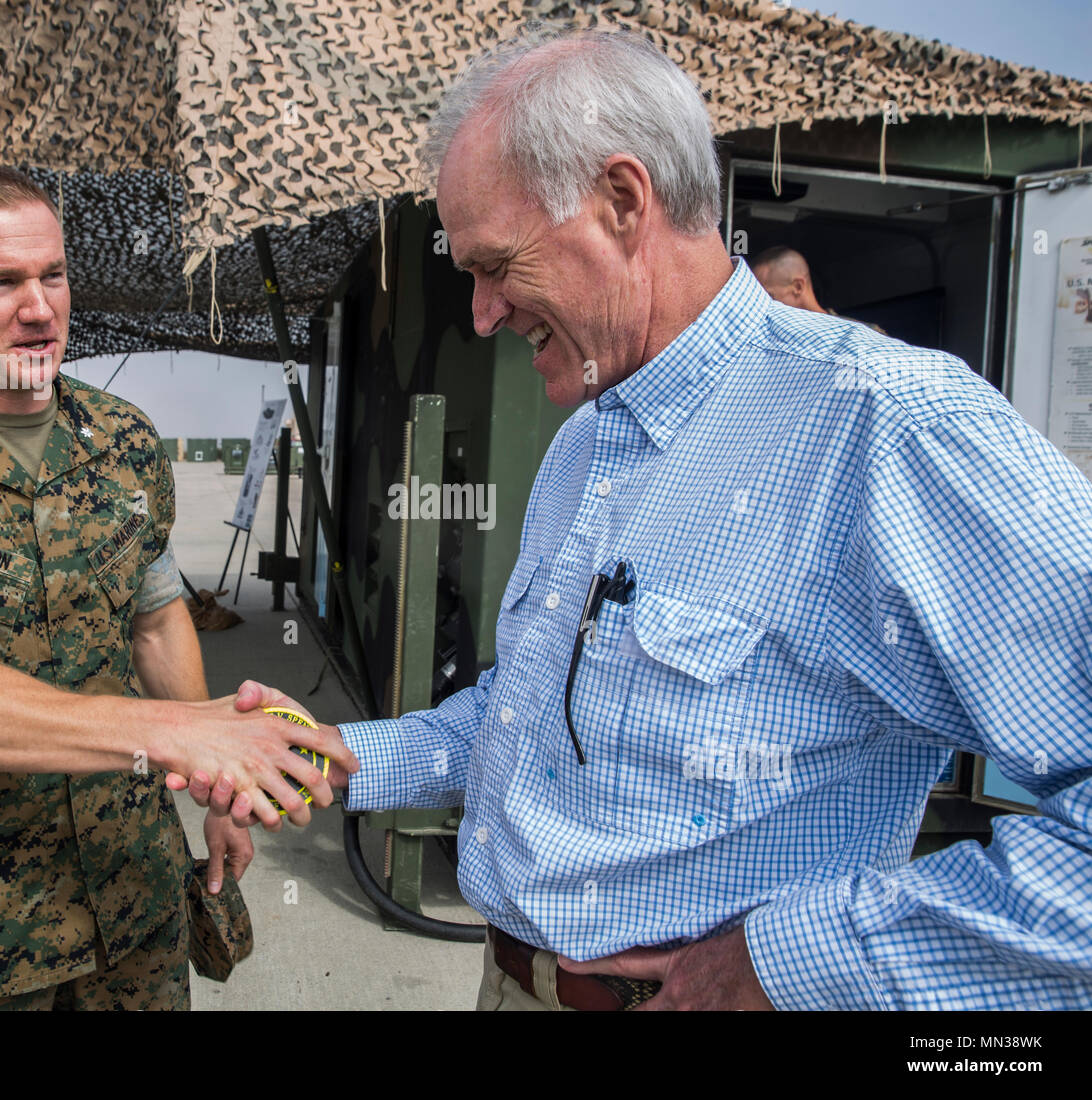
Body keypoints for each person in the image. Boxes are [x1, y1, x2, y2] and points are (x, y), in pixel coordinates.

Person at [208, 25, 1092, 1012]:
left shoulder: (888, 426)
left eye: (495, 263)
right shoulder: (589, 438)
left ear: (623, 203)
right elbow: (525, 721)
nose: (482, 313)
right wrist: (334, 755)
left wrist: (798, 961)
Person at [0, 163, 356, 1010]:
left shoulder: (123, 438)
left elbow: (157, 620)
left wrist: (220, 792)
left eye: (52, 274)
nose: (40, 307)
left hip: (131, 904)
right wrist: (175, 732)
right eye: (0, 281)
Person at [750, 244, 886, 332]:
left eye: (769, 297)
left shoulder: (862, 333)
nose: (762, 306)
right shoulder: (766, 337)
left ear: (798, 287)